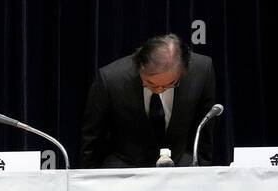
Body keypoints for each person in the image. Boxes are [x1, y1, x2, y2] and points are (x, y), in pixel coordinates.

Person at [80, 33, 217, 168]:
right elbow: (93, 138)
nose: (159, 90)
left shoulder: (202, 71)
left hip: (180, 162)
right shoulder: (111, 79)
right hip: (126, 164)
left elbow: (204, 133)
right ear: (139, 66)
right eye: (150, 84)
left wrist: (202, 174)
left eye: (169, 84)